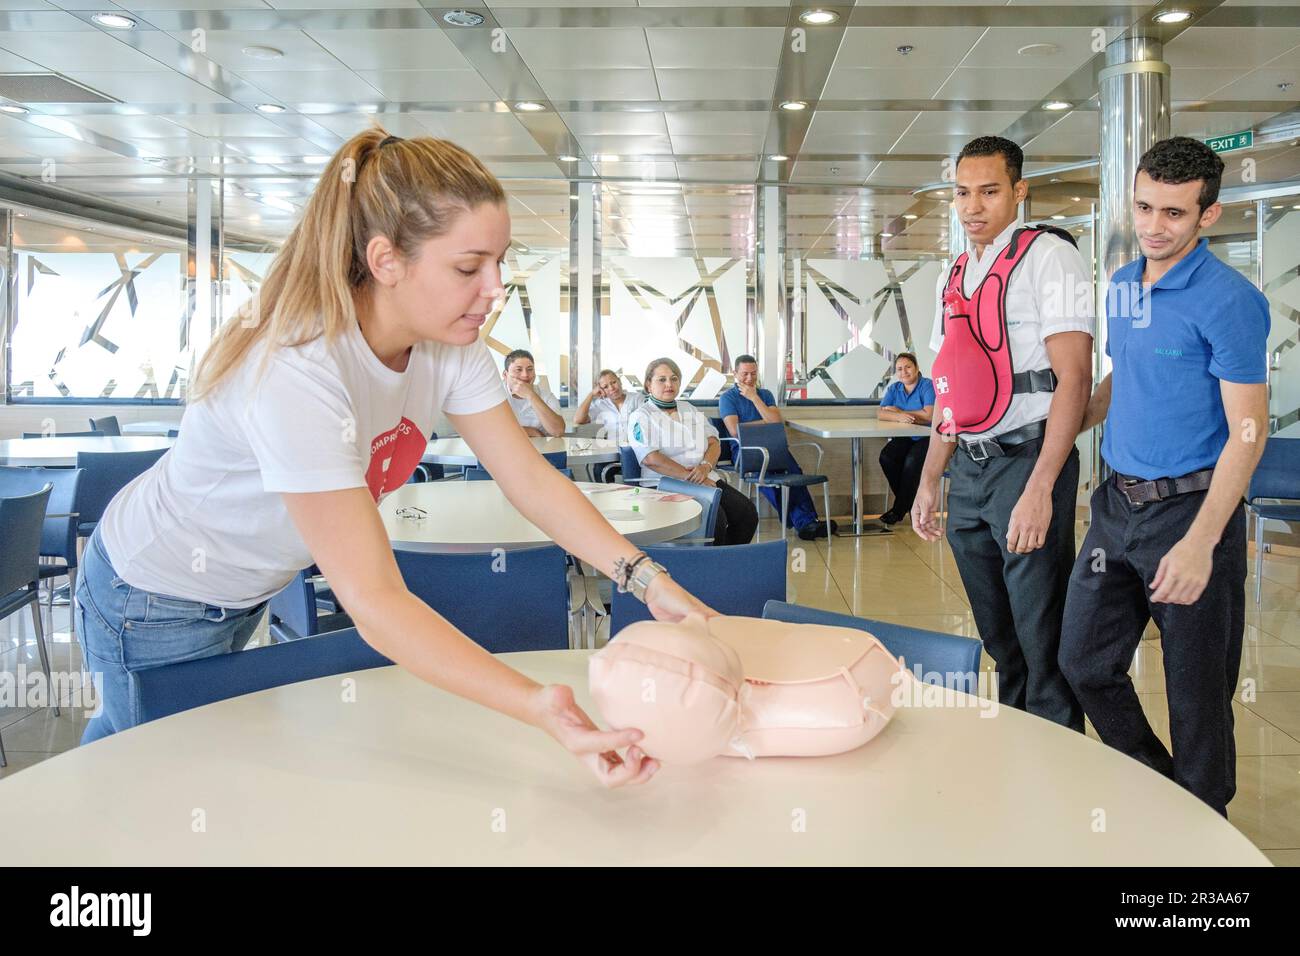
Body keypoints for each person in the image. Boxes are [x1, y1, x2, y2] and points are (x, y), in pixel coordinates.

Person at [75, 128, 716, 788]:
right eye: (468, 267)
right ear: (386, 260)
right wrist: (537, 705)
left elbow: (526, 476)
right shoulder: (300, 368)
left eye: (499, 261)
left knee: (156, 761)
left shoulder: (448, 342)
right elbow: (376, 602)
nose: (493, 288)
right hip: (154, 593)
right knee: (143, 778)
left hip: (243, 590)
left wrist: (645, 580)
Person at [1059, 137, 1270, 816]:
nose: (1154, 225)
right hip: (1116, 506)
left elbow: (1249, 430)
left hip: (1191, 512)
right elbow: (1126, 379)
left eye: (1174, 214)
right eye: (1146, 207)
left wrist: (1202, 542)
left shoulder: (1230, 301)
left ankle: (1206, 830)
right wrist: (1062, 427)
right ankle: (1161, 787)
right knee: (1084, 665)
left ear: (1207, 215)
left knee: (1197, 696)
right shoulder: (1123, 285)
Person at [911, 135, 1093, 731]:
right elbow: (948, 387)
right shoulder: (955, 273)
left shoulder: (1049, 255)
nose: (972, 206)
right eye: (962, 193)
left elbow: (1074, 378)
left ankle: (1057, 764)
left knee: (1041, 633)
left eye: (989, 191)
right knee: (997, 633)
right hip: (968, 466)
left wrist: (1042, 486)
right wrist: (931, 477)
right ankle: (1016, 749)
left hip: (1027, 460)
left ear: (1019, 191)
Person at [628, 357, 758, 547]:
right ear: (648, 384)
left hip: (705, 475)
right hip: (665, 483)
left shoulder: (688, 408)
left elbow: (714, 442)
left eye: (674, 379)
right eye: (661, 379)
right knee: (716, 519)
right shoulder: (641, 416)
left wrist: (705, 468)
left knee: (746, 513)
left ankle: (726, 563)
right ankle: (710, 569)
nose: (669, 384)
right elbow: (650, 458)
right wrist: (694, 477)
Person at [718, 354, 836, 540]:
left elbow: (776, 422)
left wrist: (754, 398)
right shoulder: (727, 398)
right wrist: (765, 421)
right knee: (769, 479)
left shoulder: (764, 395)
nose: (749, 379)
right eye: (745, 374)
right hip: (746, 451)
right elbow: (735, 431)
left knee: (794, 474)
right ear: (735, 374)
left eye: (753, 374)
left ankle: (809, 522)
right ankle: (805, 523)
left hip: (774, 447)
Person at [875, 352, 935, 525]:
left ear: (916, 368)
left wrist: (900, 412)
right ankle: (909, 502)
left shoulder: (927, 386)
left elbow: (929, 415)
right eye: (899, 369)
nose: (904, 372)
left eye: (908, 367)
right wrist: (899, 417)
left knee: (912, 461)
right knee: (887, 457)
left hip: (926, 436)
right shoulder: (894, 388)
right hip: (905, 435)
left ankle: (899, 510)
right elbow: (881, 413)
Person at [575, 369, 644, 481]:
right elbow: (578, 419)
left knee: (627, 457)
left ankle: (632, 494)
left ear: (620, 381)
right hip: (612, 451)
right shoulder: (601, 404)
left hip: (634, 450)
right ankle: (605, 497)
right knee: (599, 469)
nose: (612, 388)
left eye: (613, 382)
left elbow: (645, 424)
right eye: (605, 387)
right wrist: (591, 395)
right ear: (601, 390)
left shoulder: (636, 398)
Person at [501, 348, 564, 437]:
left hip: (541, 450)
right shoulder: (495, 394)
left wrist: (530, 395)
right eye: (518, 370)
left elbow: (558, 431)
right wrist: (531, 431)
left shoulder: (546, 396)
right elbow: (488, 429)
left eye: (530, 369)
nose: (525, 375)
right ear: (505, 374)